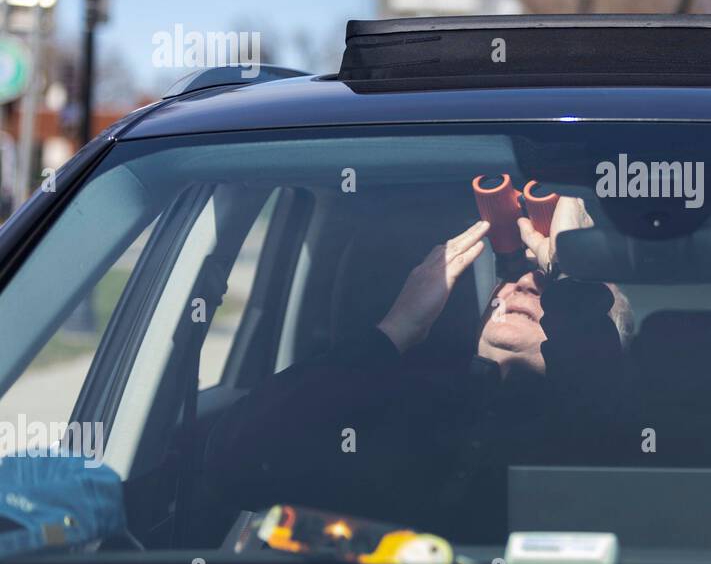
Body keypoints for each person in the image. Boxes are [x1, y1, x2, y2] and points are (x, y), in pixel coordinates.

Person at [197, 196, 632, 545]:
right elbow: (237, 466)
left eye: (550, 283)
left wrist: (576, 272)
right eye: (519, 274)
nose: (525, 282)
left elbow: (600, 426)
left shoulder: (603, 427)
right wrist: (395, 330)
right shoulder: (386, 400)